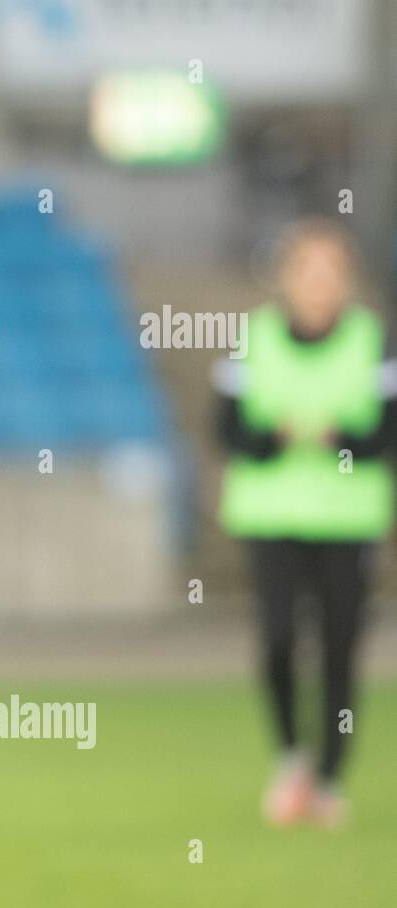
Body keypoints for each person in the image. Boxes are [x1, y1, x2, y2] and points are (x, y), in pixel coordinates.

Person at [214, 218, 397, 829]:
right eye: (308, 271)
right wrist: (279, 437)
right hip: (272, 516)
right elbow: (230, 430)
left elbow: (385, 434)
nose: (319, 284)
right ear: (288, 279)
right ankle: (292, 757)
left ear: (346, 280)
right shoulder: (253, 339)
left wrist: (339, 436)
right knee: (277, 641)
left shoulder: (375, 341)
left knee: (342, 646)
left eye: (331, 272)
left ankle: (329, 777)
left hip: (348, 520)